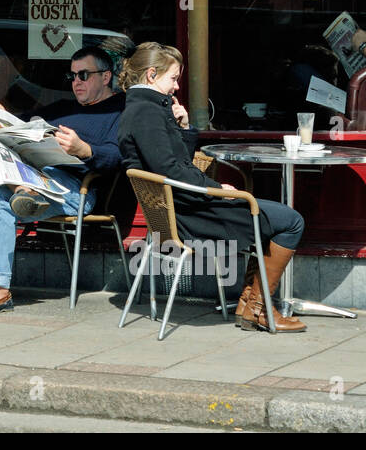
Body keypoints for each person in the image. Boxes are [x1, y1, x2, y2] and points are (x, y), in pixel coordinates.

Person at [116, 42, 307, 333]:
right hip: (194, 214)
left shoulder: (142, 108)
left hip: (180, 210)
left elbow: (173, 163)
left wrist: (183, 127)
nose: (177, 86)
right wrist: (216, 188)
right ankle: (258, 308)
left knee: (273, 218)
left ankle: (250, 305)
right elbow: (172, 170)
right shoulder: (147, 112)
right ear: (152, 75)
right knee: (291, 221)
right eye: (173, 78)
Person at [0, 44, 127, 316]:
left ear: (106, 77)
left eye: (83, 75)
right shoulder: (64, 108)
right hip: (34, 176)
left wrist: (84, 149)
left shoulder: (119, 111)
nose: (76, 82)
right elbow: (17, 127)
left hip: (74, 189)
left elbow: (118, 157)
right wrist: (0, 116)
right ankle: (23, 189)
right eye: (72, 76)